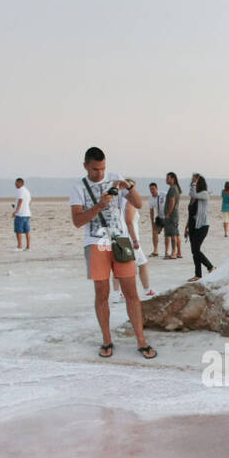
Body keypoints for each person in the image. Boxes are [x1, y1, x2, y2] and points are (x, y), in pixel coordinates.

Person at [69, 147, 156, 359]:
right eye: (95, 169)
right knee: (102, 294)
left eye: (103, 168)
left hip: (120, 241)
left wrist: (129, 187)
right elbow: (77, 221)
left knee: (131, 293)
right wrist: (99, 205)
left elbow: (138, 204)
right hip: (95, 244)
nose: (100, 173)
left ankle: (141, 341)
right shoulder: (78, 187)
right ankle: (107, 340)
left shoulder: (115, 179)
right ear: (85, 167)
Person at [112, 178, 156, 301]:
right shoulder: (129, 202)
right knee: (141, 263)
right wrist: (135, 241)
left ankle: (116, 294)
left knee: (118, 264)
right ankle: (147, 290)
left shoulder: (120, 200)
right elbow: (129, 222)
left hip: (120, 236)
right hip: (129, 239)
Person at [185, 174, 215, 282]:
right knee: (194, 251)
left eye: (195, 182)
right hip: (193, 225)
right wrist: (187, 227)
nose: (193, 184)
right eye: (192, 182)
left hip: (202, 226)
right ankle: (198, 274)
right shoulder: (193, 197)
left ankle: (210, 267)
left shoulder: (204, 194)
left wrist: (193, 184)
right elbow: (190, 213)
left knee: (196, 249)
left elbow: (193, 193)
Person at [162, 172, 183, 259]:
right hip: (174, 215)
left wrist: (168, 213)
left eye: (168, 178)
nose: (166, 179)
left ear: (173, 178)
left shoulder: (173, 189)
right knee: (176, 234)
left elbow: (172, 202)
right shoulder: (174, 188)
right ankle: (178, 252)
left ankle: (174, 253)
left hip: (172, 215)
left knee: (172, 234)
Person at [13, 177, 32, 251]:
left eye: (16, 183)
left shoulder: (20, 190)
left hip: (21, 214)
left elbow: (20, 200)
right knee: (27, 231)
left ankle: (19, 246)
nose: (15, 184)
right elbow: (28, 202)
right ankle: (28, 247)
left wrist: (16, 211)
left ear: (21, 183)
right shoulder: (27, 191)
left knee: (18, 231)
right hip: (27, 213)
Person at [147, 181, 164, 256]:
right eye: (150, 189)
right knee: (154, 232)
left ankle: (173, 251)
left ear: (157, 189)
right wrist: (152, 222)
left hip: (168, 216)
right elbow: (151, 211)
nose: (152, 191)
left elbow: (173, 199)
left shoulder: (163, 194)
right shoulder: (151, 199)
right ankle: (155, 250)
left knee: (169, 234)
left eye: (153, 189)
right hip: (159, 218)